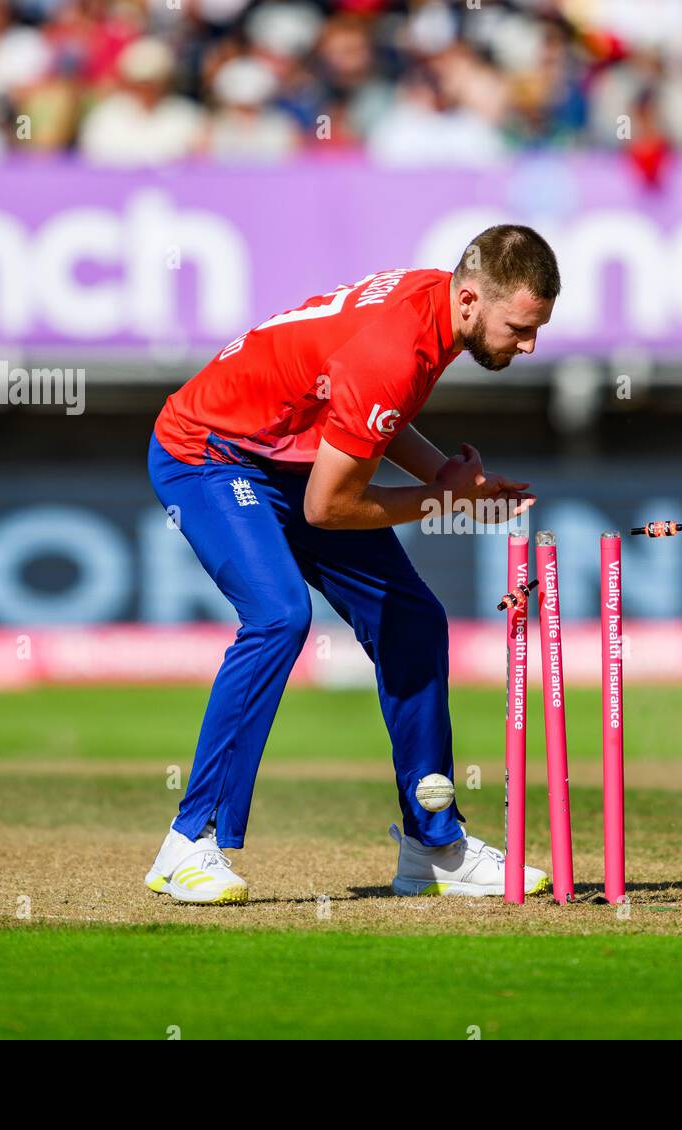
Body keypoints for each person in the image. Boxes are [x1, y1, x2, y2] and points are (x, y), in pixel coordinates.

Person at [144, 225, 559, 904]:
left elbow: (372, 418)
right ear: (470, 300)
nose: (529, 344)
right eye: (518, 327)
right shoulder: (396, 347)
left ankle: (433, 846)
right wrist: (440, 500)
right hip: (208, 450)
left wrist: (445, 480)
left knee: (414, 622)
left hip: (284, 452)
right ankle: (189, 842)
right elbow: (328, 509)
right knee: (278, 615)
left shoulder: (434, 305)